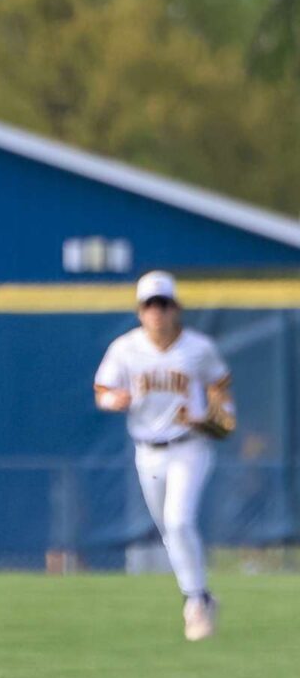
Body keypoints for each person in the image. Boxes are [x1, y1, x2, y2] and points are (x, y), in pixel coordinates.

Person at [94, 271, 235, 641]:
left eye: (163, 304)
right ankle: (202, 594)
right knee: (170, 531)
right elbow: (102, 390)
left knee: (179, 521)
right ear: (140, 311)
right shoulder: (125, 348)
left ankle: (195, 603)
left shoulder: (198, 348)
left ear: (176, 308)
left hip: (190, 446)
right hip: (148, 452)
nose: (156, 311)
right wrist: (114, 400)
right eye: (149, 305)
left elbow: (223, 396)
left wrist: (211, 417)